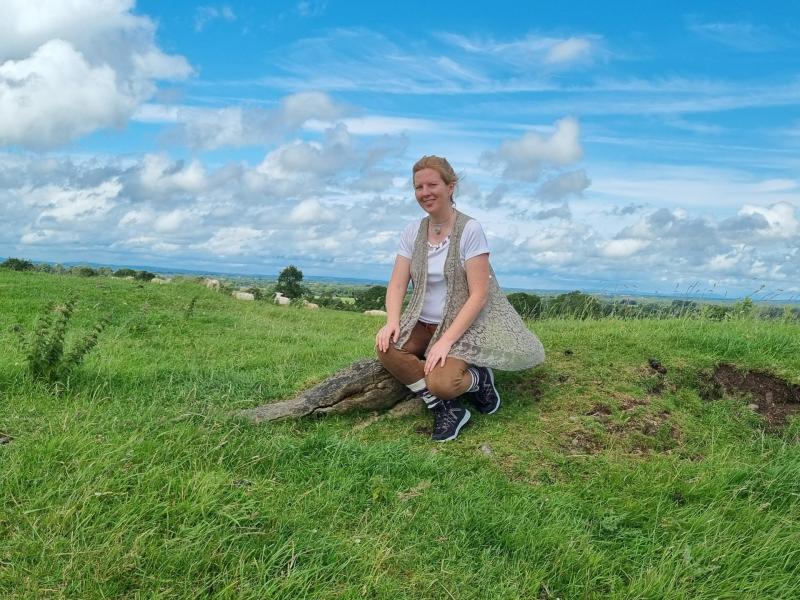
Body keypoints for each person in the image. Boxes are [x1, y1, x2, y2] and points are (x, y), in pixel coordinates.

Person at [376, 155, 545, 442]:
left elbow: (479, 295)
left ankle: (479, 381)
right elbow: (396, 285)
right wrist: (392, 321)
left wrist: (445, 341)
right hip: (422, 322)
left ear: (450, 186)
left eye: (432, 184)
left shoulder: (470, 230)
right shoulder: (412, 231)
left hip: (462, 326)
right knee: (386, 347)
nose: (425, 193)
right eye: (418, 187)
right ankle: (445, 407)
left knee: (443, 382)